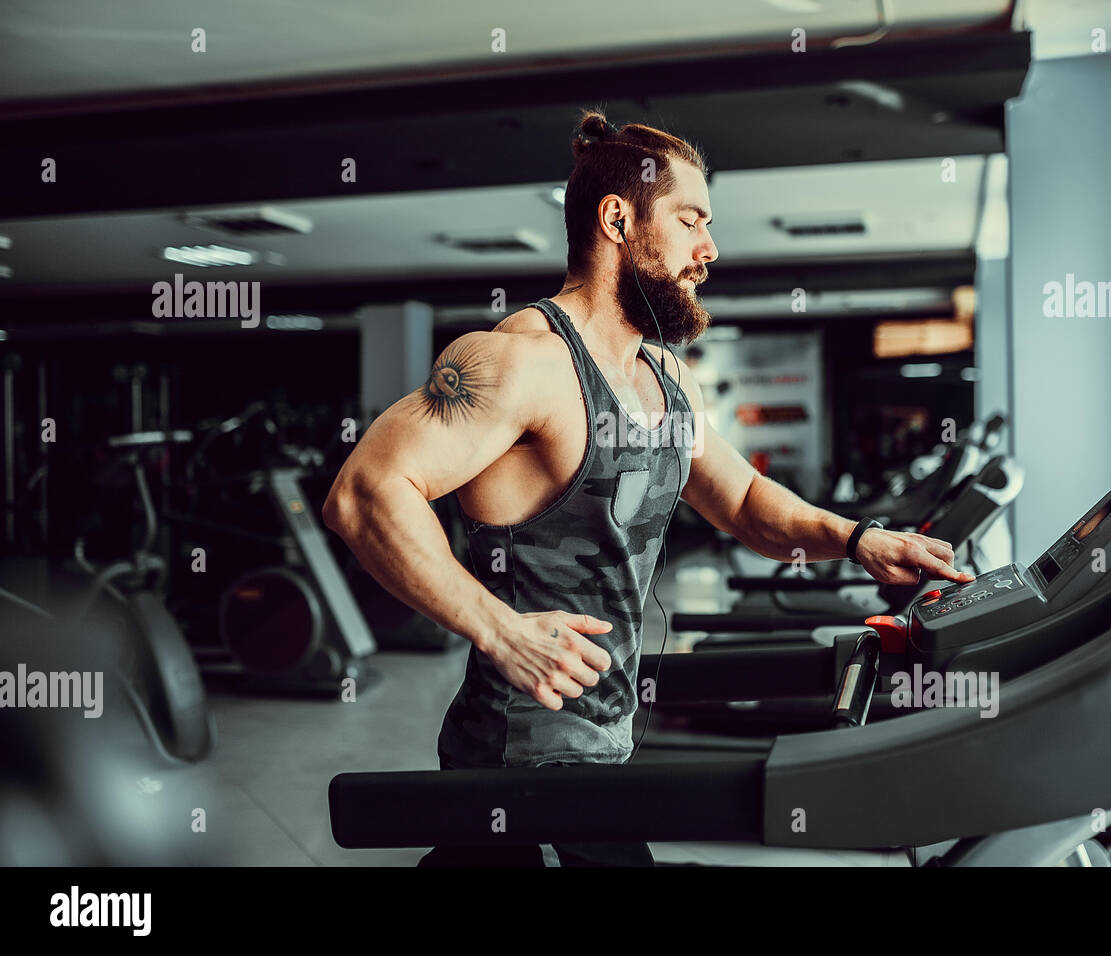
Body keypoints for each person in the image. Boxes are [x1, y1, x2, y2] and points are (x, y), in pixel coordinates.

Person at [322, 109, 973, 867]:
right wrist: (498, 629)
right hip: (520, 760)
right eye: (691, 220)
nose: (710, 249)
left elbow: (743, 501)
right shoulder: (522, 362)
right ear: (618, 220)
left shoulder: (667, 380)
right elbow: (365, 491)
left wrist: (858, 540)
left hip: (604, 741)